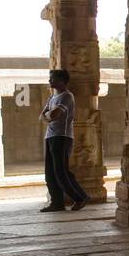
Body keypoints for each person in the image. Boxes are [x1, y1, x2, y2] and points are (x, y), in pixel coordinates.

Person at [39, 69, 89, 212]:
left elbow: (55, 115)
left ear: (61, 80)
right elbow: (42, 117)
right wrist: (49, 115)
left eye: (52, 78)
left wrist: (49, 115)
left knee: (61, 171)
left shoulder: (67, 96)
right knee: (50, 172)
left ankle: (80, 197)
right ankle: (57, 203)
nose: (49, 81)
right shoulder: (51, 98)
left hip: (62, 136)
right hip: (50, 136)